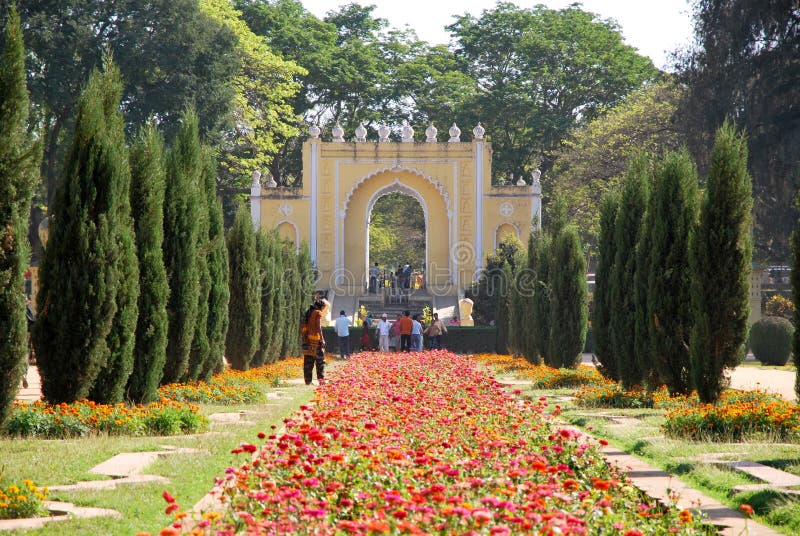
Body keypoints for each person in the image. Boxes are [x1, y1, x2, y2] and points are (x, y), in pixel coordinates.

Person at [301, 300, 326, 385]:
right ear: (321, 307)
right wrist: (322, 339)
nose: (323, 310)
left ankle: (308, 381)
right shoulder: (317, 313)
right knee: (320, 362)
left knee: (308, 362)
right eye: (323, 308)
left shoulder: (308, 312)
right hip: (315, 341)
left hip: (306, 341)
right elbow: (318, 326)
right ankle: (321, 381)